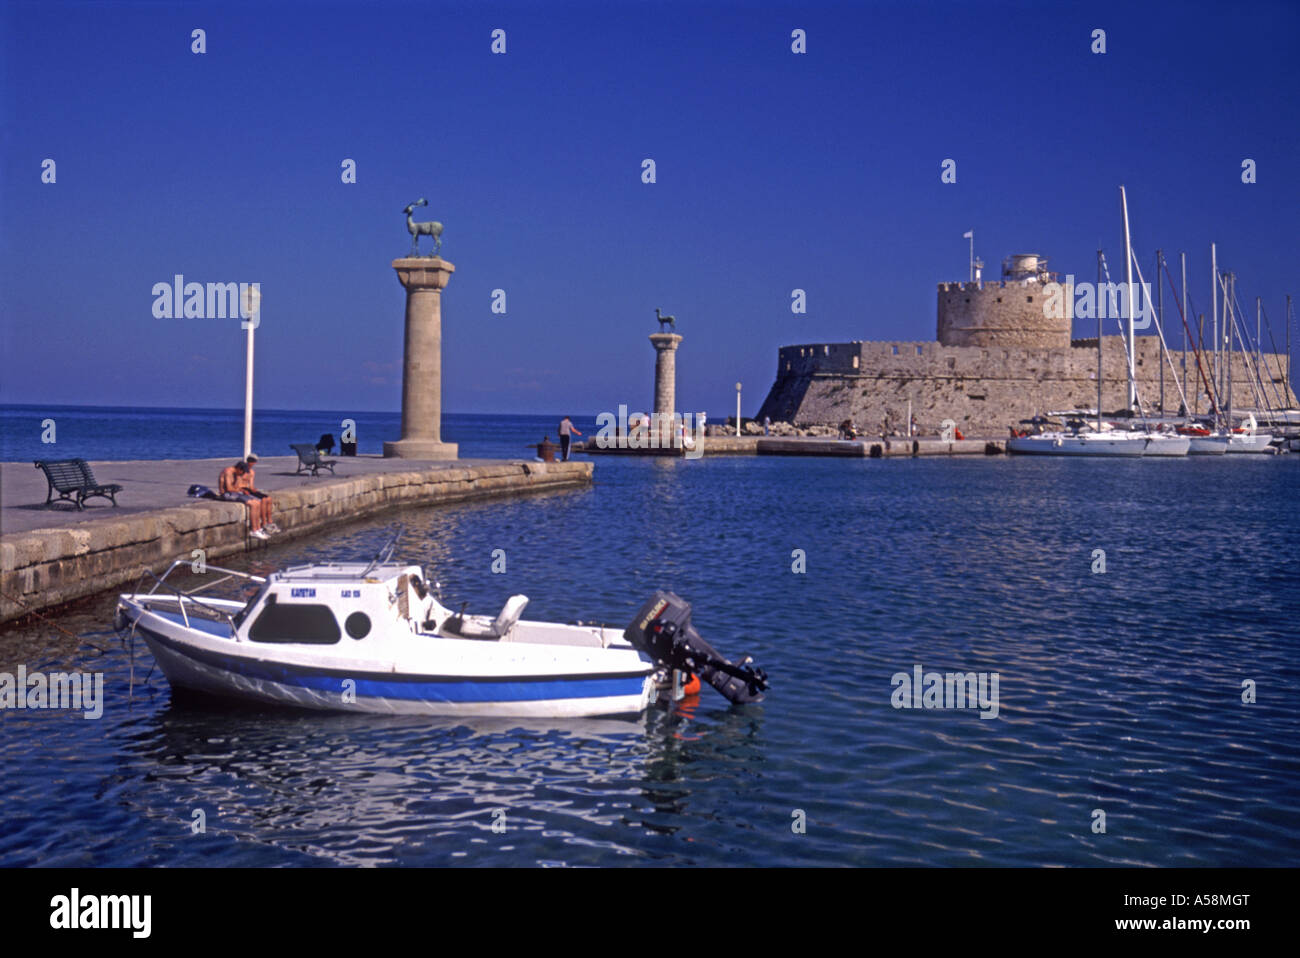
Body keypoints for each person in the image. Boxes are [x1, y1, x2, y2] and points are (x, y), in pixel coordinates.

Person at [219, 460, 270, 539]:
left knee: (257, 502)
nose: (243, 474)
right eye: (242, 472)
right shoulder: (228, 472)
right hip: (227, 494)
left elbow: (236, 487)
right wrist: (240, 490)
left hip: (235, 492)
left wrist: (242, 489)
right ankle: (254, 530)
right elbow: (229, 488)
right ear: (239, 469)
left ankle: (258, 528)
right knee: (252, 504)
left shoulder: (237, 473)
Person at [238, 454, 278, 533]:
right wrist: (243, 490)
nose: (253, 464)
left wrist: (254, 490)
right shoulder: (241, 471)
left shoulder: (252, 472)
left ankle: (269, 521)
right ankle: (264, 522)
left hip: (249, 489)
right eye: (252, 462)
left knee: (268, 498)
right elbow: (237, 484)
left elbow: (251, 485)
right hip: (242, 489)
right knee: (262, 500)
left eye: (254, 462)